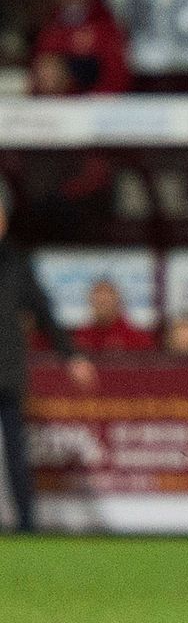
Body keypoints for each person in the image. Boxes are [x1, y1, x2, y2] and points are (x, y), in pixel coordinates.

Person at [0, 187, 96, 532]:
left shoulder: (17, 263)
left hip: (7, 376)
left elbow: (44, 315)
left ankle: (26, 525)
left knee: (17, 456)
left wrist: (71, 356)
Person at [71, 278, 156, 352]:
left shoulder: (137, 338)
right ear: (91, 302)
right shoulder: (81, 337)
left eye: (106, 301)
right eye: (99, 301)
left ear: (118, 301)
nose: (102, 301)